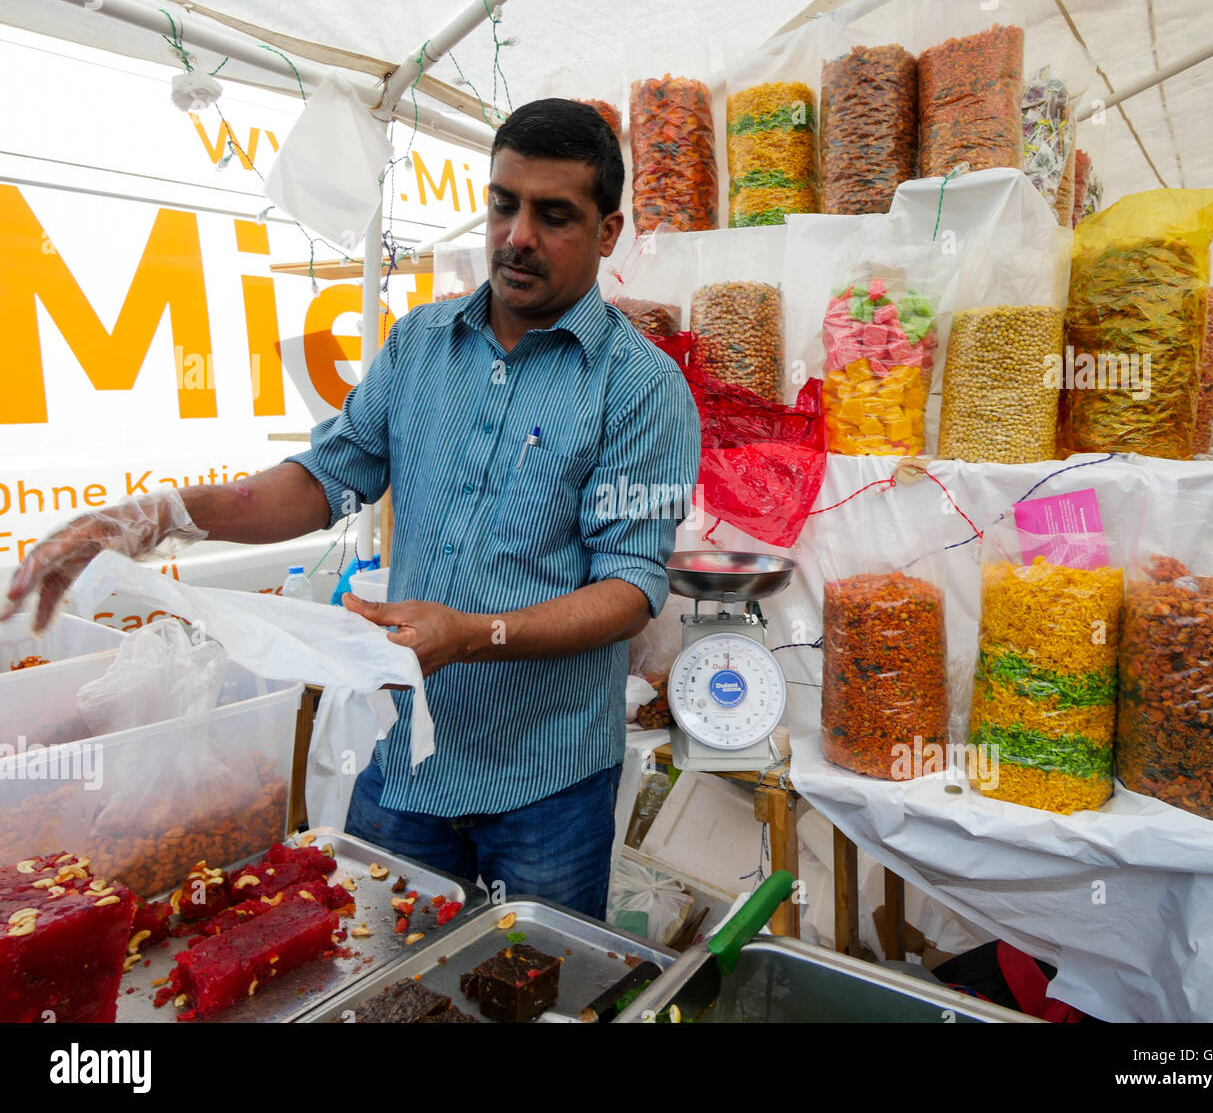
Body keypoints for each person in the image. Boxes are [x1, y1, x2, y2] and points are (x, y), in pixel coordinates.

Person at [4, 98, 701, 919]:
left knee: (533, 995)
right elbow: (319, 481)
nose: (517, 235)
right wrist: (154, 516)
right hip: (407, 761)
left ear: (609, 231)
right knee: (374, 978)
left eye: (554, 216)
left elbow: (629, 592)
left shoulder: (642, 388)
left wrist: (473, 634)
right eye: (504, 203)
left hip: (546, 784)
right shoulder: (419, 344)